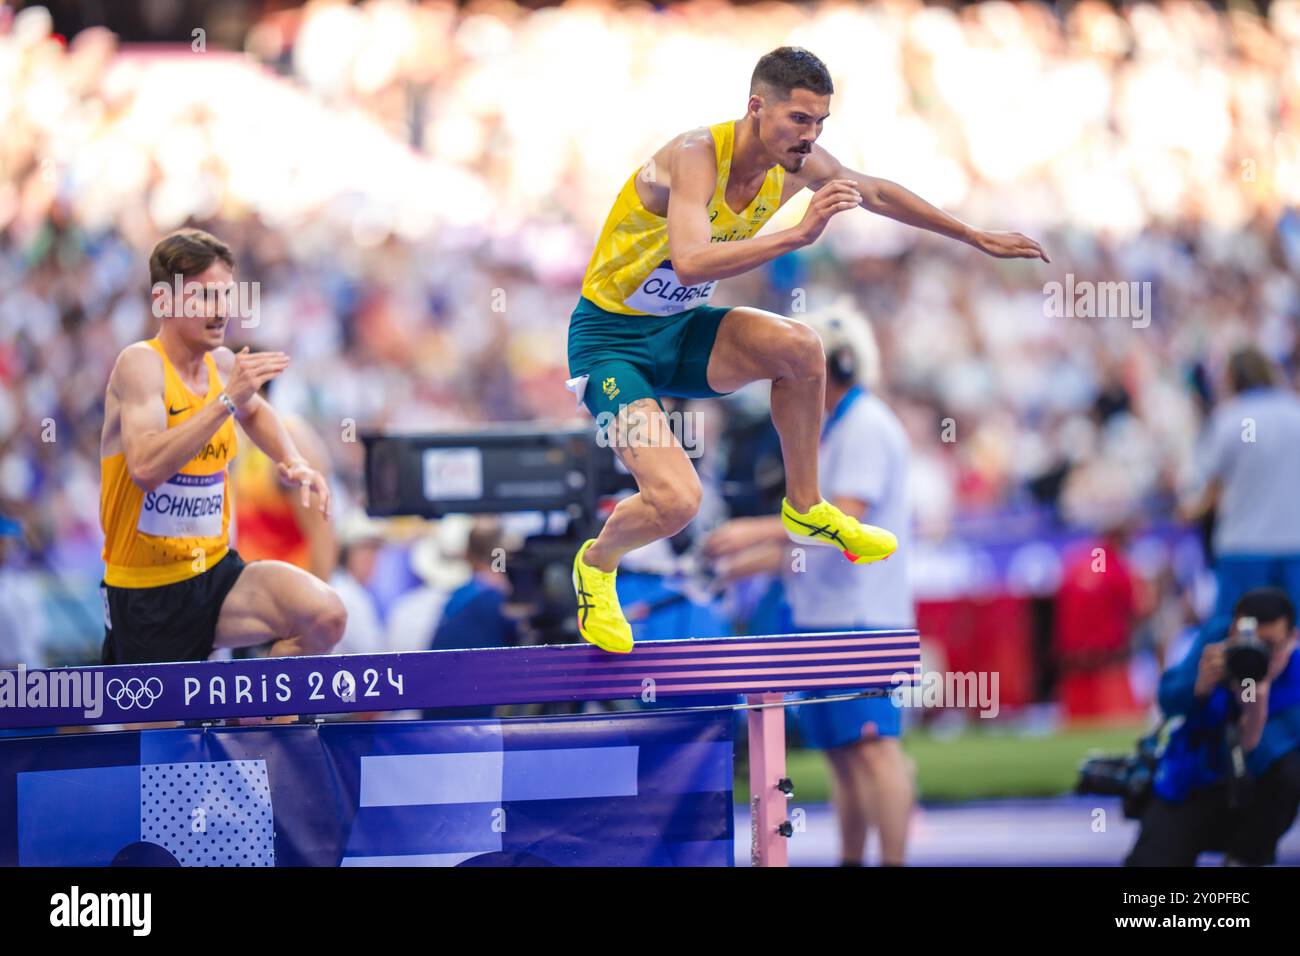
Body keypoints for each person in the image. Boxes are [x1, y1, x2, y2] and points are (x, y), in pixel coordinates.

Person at [566, 46, 1047, 653]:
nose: (810, 136)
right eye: (799, 119)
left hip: (679, 330)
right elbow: (688, 263)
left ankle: (805, 505)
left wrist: (971, 234)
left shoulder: (796, 161)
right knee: (677, 500)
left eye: (820, 122)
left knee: (802, 348)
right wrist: (797, 233)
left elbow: (872, 191)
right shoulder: (695, 156)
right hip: (610, 342)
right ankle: (597, 563)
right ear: (756, 107)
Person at [706, 300, 915, 866]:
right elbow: (809, 541)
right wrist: (737, 561)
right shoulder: (832, 428)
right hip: (828, 613)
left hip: (861, 614)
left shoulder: (864, 427)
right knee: (846, 755)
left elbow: (840, 518)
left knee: (873, 748)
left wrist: (749, 531)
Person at [99, 228, 346, 664]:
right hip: (144, 594)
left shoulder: (223, 365)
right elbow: (146, 466)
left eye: (226, 296)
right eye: (204, 297)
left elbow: (256, 412)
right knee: (160, 733)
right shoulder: (140, 365)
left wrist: (293, 461)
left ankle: (257, 721)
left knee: (325, 615)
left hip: (215, 577)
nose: (220, 311)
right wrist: (226, 400)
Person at [1126, 587, 1300, 866]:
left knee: (1291, 771)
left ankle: (1245, 858)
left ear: (1292, 639)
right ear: (1232, 630)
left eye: (1269, 646)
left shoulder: (1296, 675)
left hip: (1254, 800)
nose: (1256, 654)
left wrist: (1255, 704)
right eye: (1248, 642)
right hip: (1193, 784)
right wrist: (1198, 688)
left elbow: (1254, 759)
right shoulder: (1215, 643)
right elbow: (1168, 699)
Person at [1181, 347, 1300, 618]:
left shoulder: (1231, 419)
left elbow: (1210, 489)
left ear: (1232, 377)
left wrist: (1190, 511)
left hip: (1245, 545)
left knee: (1235, 632)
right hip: (1295, 543)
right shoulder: (1296, 412)